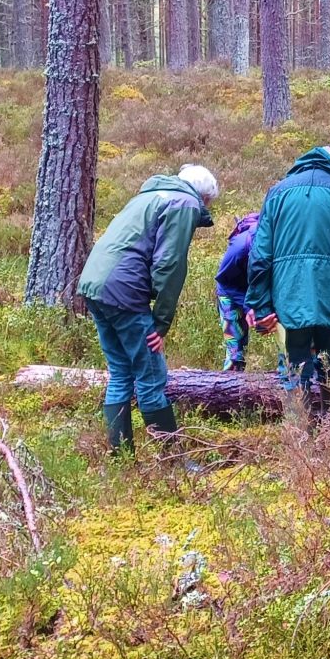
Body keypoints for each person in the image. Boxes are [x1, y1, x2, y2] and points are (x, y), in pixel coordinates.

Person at [77, 163, 221, 451]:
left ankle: (121, 457)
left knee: (120, 372)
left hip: (94, 284)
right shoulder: (185, 203)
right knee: (151, 375)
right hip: (123, 289)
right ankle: (173, 458)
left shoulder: (148, 196)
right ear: (203, 197)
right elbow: (170, 264)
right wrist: (160, 322)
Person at [247, 145, 330, 419]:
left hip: (288, 302)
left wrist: (261, 307)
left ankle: (301, 440)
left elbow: (259, 255)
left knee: (294, 373)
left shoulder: (277, 193)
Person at [213, 211, 262, 370]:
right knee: (235, 353)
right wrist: (249, 306)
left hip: (259, 289)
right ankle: (231, 386)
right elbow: (224, 281)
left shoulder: (285, 244)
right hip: (231, 292)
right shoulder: (241, 246)